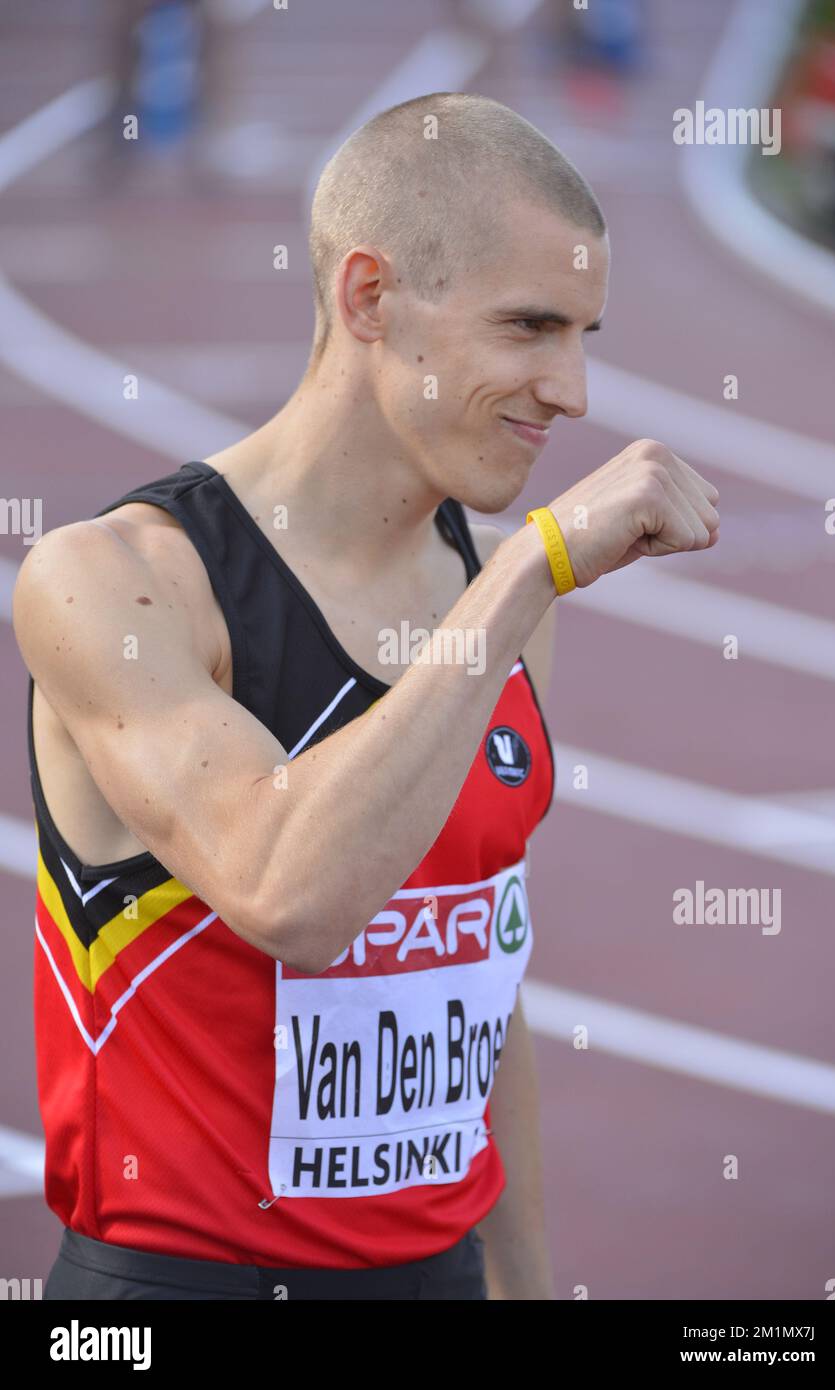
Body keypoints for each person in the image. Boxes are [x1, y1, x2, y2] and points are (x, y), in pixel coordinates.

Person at [13, 91, 719, 1301]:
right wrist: (522, 578)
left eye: (585, 335)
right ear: (368, 298)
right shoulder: (117, 579)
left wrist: (525, 1289)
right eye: (530, 326)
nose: (572, 389)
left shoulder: (496, 589)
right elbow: (291, 895)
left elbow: (477, 981)